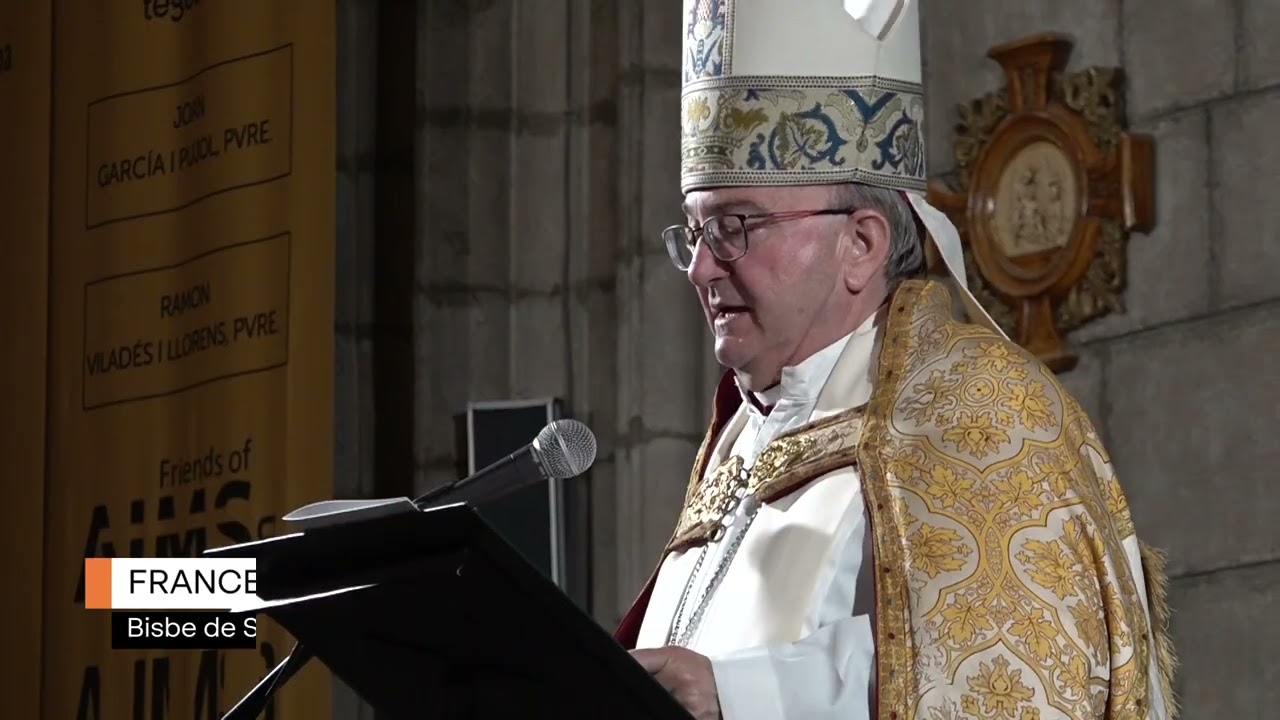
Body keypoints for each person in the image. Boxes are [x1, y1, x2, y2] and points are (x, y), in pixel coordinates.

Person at [614, 2, 1177, 719]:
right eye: (692, 232)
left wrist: (737, 692)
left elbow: (1007, 659)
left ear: (863, 243)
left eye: (734, 227)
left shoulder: (978, 410)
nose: (700, 269)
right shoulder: (739, 439)